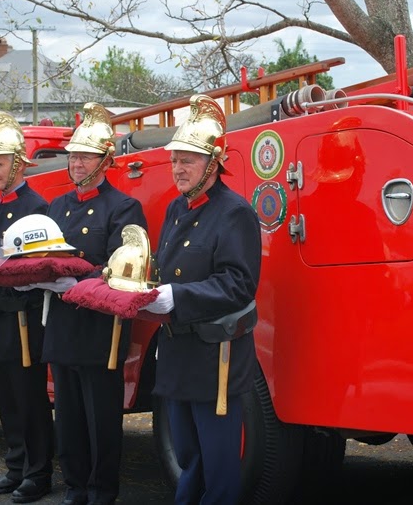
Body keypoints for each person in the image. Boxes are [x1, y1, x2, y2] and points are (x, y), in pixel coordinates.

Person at [141, 94, 261, 505]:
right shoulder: (176, 209)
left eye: (188, 160)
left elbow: (238, 285)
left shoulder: (234, 213)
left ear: (213, 162)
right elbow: (166, 267)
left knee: (220, 464)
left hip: (216, 360)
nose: (178, 168)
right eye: (175, 159)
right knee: (189, 458)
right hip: (177, 356)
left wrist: (177, 296)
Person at [42, 102, 147, 505]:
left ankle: (102, 490)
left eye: (85, 156)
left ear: (105, 160)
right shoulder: (58, 206)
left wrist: (80, 278)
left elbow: (124, 269)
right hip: (64, 323)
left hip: (101, 329)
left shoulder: (123, 208)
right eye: (73, 155)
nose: (76, 163)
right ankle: (74, 486)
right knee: (67, 416)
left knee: (100, 418)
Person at [0, 111, 54, 503]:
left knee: (29, 398)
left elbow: (38, 266)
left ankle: (38, 475)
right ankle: (15, 467)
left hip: (23, 316)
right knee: (6, 397)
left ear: (18, 164)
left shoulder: (37, 205)